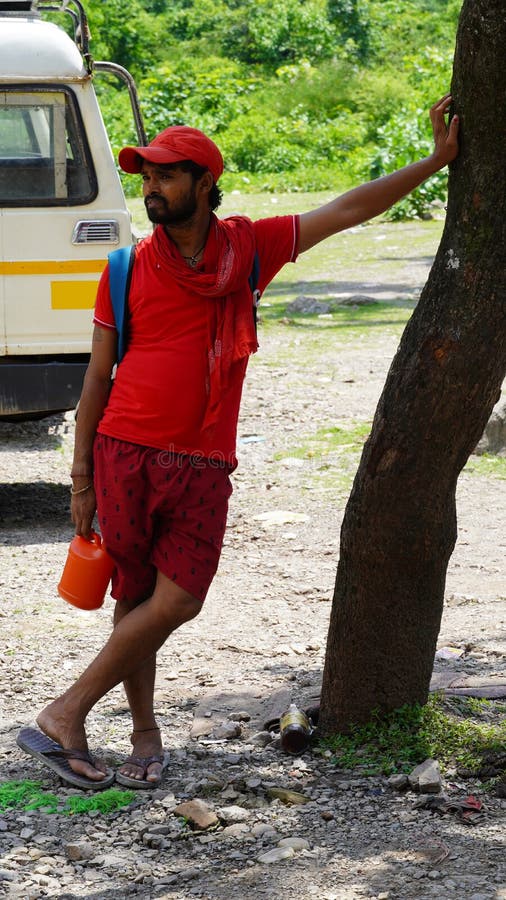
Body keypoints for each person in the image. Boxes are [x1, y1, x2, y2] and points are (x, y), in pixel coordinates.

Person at [17, 95, 459, 789]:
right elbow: (97, 377)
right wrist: (80, 482)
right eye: (147, 176)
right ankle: (142, 733)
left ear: (202, 182)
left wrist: (433, 161)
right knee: (134, 597)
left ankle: (66, 710)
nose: (152, 188)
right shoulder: (125, 267)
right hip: (123, 452)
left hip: (202, 463)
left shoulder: (250, 250)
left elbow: (346, 210)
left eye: (166, 176)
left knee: (181, 597)